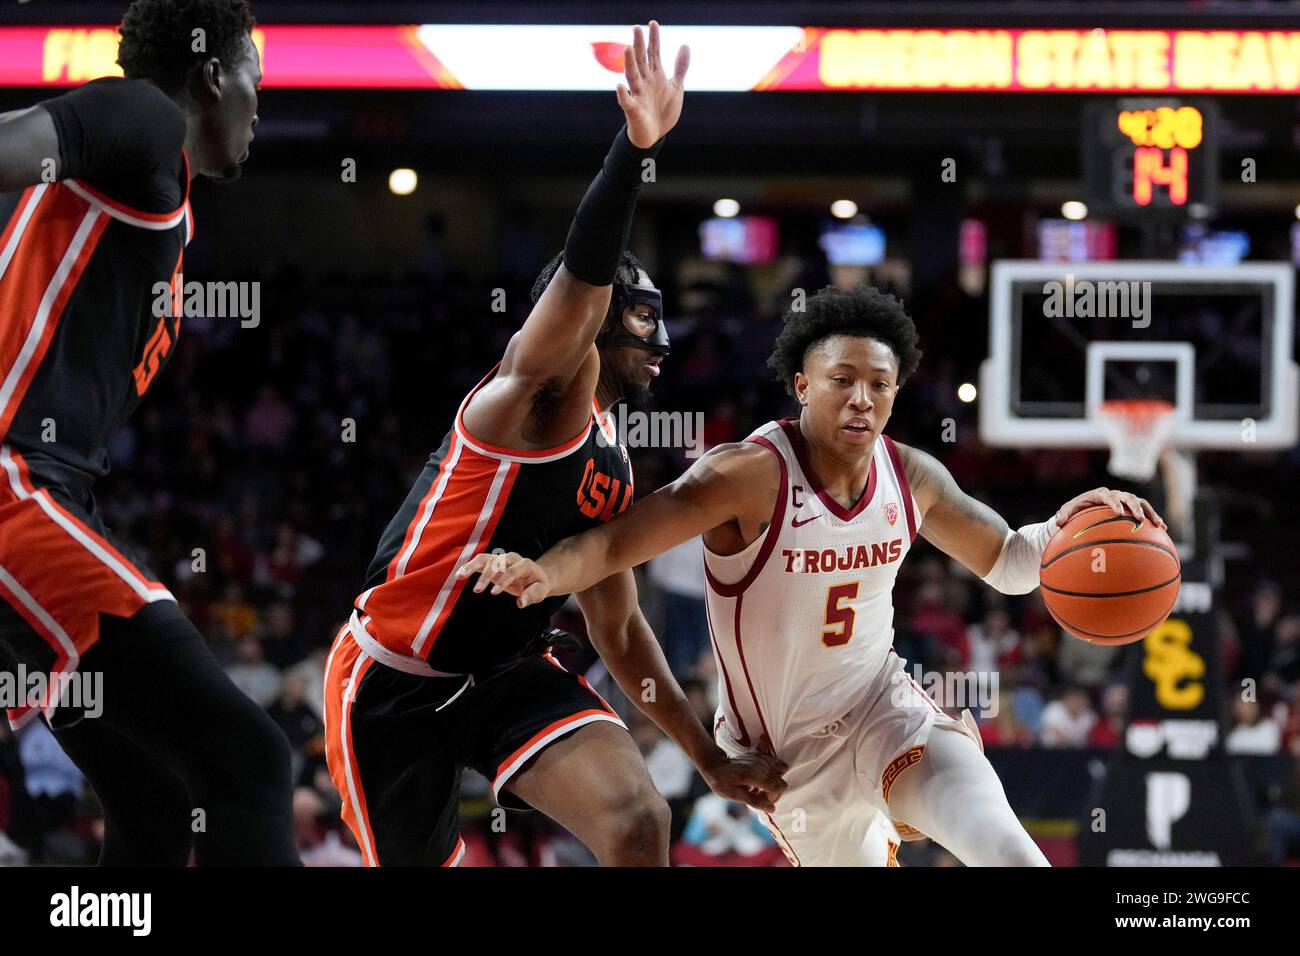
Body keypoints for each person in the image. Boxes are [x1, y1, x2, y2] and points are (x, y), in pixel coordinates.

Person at [461, 283, 1169, 867]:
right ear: (803, 385)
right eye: (843, 380)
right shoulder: (745, 475)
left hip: (883, 710)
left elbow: (1011, 564)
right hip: (783, 759)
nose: (862, 398)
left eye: (879, 385)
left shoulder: (911, 474)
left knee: (1012, 854)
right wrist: (543, 574)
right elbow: (612, 547)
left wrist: (1067, 526)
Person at [323, 22, 785, 868]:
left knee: (638, 823)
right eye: (643, 316)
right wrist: (631, 154)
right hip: (391, 681)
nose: (662, 340)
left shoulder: (613, 456)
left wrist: (707, 756)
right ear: (591, 326)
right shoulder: (527, 405)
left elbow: (618, 627)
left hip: (507, 674)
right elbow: (581, 279)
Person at [0, 0, 298, 864]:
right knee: (251, 761)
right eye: (256, 80)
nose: (260, 103)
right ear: (212, 75)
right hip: (17, 485)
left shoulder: (145, 190)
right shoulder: (144, 116)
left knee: (155, 793)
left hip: (50, 495)